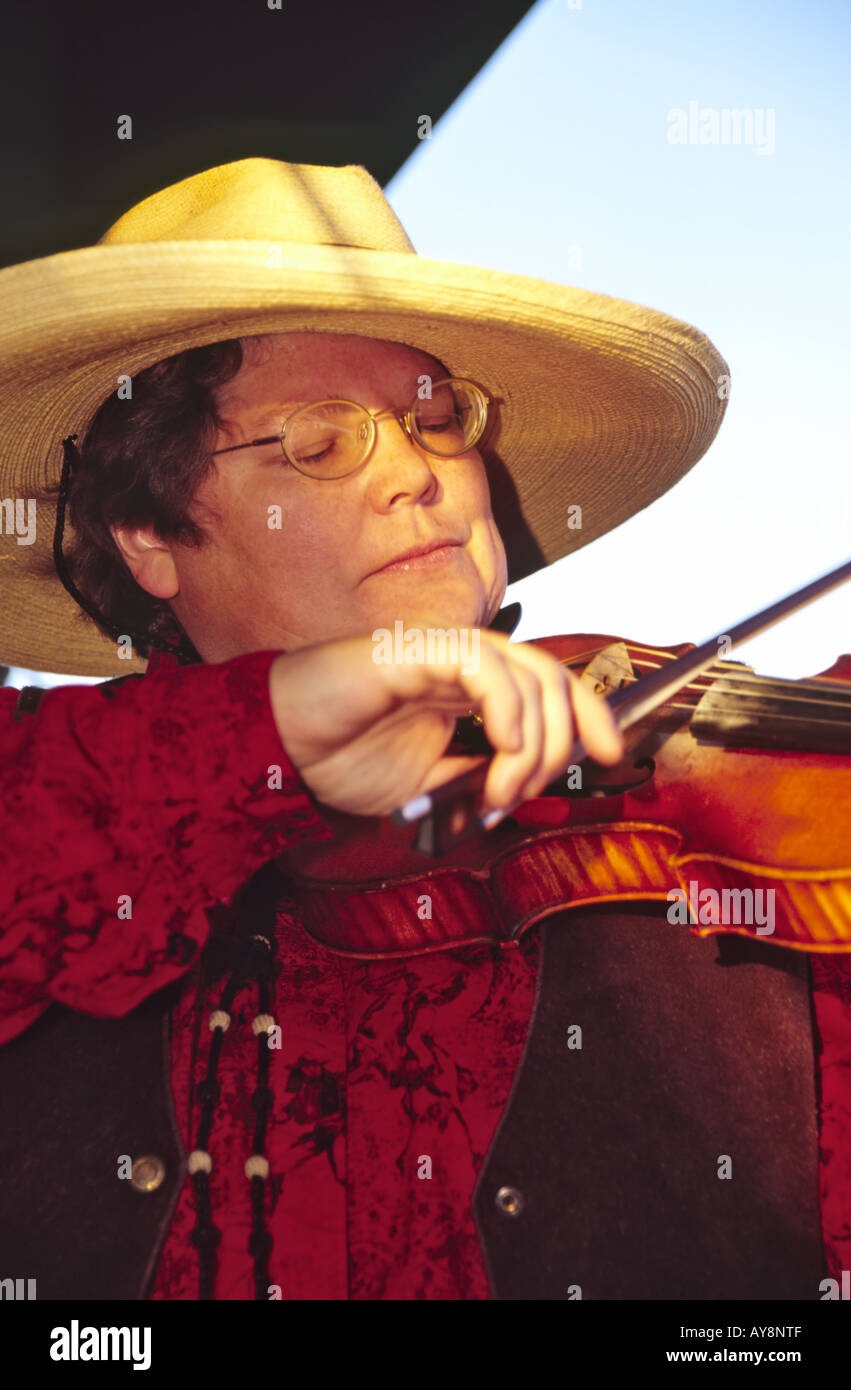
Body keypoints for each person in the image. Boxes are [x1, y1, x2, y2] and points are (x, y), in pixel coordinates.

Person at [0, 158, 848, 1302]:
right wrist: (276, 727)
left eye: (435, 419)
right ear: (150, 531)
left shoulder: (696, 846)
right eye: (320, 441)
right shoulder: (61, 827)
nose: (421, 475)